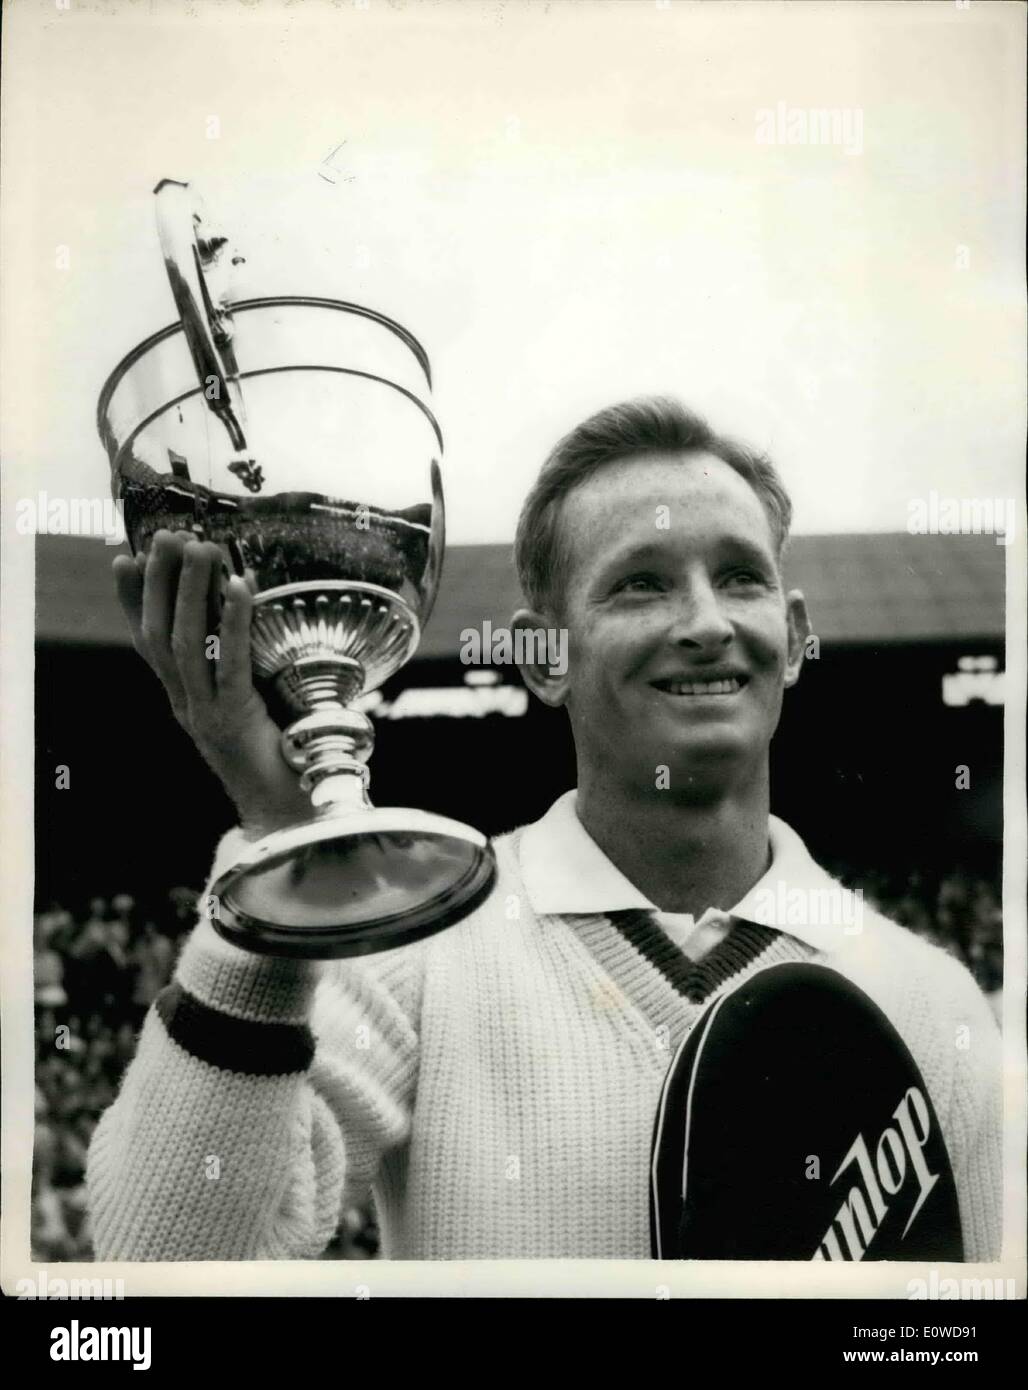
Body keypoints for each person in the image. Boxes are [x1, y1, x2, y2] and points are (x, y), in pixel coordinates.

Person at [86, 396, 1002, 1261]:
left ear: (794, 633)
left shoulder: (930, 1002)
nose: (707, 623)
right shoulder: (420, 953)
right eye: (642, 585)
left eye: (739, 578)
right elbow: (165, 1260)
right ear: (544, 656)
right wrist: (280, 838)